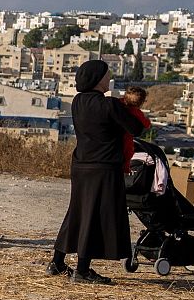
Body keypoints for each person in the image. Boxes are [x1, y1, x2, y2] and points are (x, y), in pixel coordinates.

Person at [50, 60, 146, 284]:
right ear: (97, 79)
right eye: (106, 75)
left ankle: (57, 262)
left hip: (81, 164)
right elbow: (136, 128)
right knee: (94, 217)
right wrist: (127, 107)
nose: (109, 78)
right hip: (104, 167)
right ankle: (82, 270)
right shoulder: (109, 104)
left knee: (77, 213)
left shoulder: (77, 101)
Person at [118, 86, 152, 166]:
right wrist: (147, 121)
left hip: (116, 137)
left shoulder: (118, 104)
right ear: (141, 103)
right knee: (128, 153)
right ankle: (126, 168)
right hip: (127, 137)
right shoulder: (137, 112)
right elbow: (146, 124)